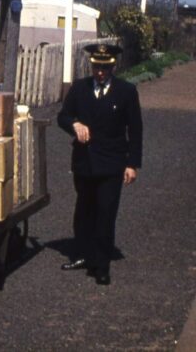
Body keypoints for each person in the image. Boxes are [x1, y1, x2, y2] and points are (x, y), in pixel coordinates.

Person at [57, 43, 143, 285]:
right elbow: (62, 116)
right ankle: (83, 255)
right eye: (96, 66)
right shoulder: (80, 88)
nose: (100, 72)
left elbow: (135, 130)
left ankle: (101, 265)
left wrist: (132, 164)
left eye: (105, 67)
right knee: (84, 211)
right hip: (84, 162)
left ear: (113, 66)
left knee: (105, 213)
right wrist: (74, 124)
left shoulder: (126, 91)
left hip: (112, 163)